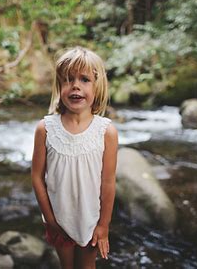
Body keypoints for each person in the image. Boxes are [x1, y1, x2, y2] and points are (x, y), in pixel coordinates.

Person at [31, 46, 118, 268]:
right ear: (59, 86)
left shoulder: (106, 131)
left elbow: (108, 183)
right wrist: (51, 221)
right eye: (68, 80)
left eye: (85, 79)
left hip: (90, 221)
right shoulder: (46, 128)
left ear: (97, 86)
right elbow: (37, 178)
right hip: (58, 219)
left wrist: (103, 225)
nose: (75, 86)